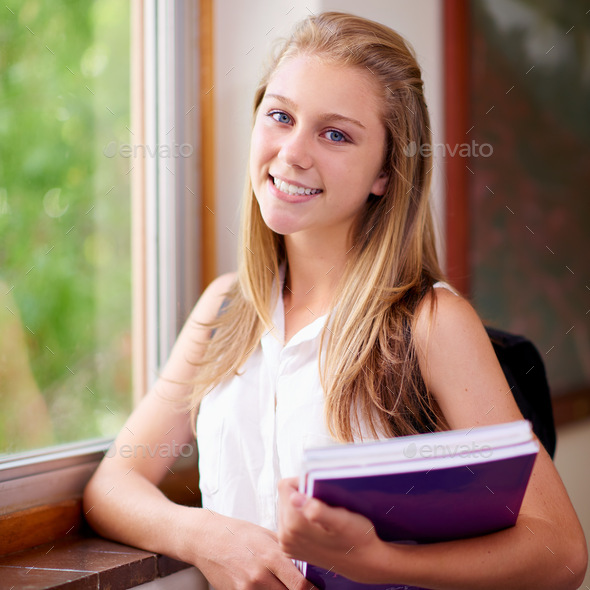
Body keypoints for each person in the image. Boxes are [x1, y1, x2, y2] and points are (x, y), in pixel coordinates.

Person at [84, 12, 587, 590]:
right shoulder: (225, 310)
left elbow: (562, 551)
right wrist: (210, 537)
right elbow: (113, 486)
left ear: (385, 172)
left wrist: (376, 562)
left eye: (336, 134)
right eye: (280, 116)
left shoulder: (431, 323)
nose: (292, 153)